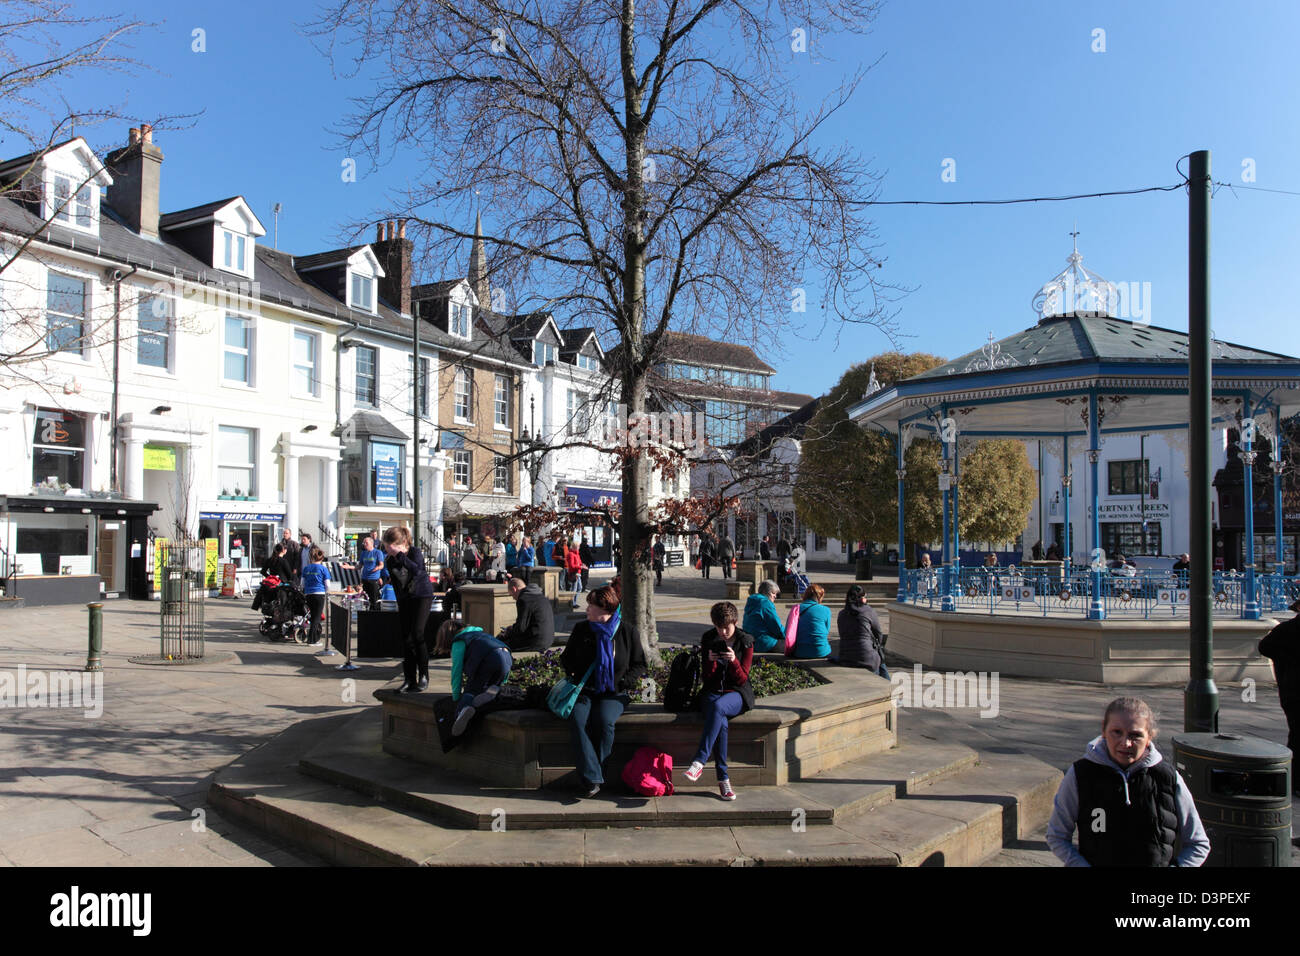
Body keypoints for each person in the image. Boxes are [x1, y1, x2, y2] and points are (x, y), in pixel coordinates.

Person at [1046, 697, 1209, 867]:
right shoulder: (1081, 774)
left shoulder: (1168, 778)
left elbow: (1198, 844)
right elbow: (1057, 836)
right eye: (1117, 732)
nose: (1125, 743)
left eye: (1135, 735)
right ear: (1103, 729)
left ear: (1149, 737)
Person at [559, 585, 646, 798]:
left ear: (605, 608)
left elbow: (640, 664)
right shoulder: (582, 629)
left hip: (614, 692)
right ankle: (593, 776)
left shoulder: (627, 631)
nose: (587, 609)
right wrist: (574, 672)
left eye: (591, 605)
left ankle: (598, 772)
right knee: (578, 720)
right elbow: (566, 657)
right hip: (585, 690)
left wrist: (625, 682)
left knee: (604, 721)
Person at [682, 602, 754, 801]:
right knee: (719, 717)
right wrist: (712, 662)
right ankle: (723, 780)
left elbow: (742, 679)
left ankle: (699, 761)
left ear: (735, 623)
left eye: (727, 627)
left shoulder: (745, 641)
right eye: (718, 627)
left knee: (719, 707)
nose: (723, 632)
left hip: (737, 693)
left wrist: (733, 661)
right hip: (712, 692)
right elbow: (707, 677)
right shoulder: (709, 638)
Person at [434, 620, 514, 736]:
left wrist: (456, 698)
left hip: (489, 660)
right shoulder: (480, 634)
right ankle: (488, 695)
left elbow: (456, 672)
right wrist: (504, 682)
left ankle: (461, 712)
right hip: (506, 658)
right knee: (489, 689)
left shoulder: (459, 641)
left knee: (471, 691)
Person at [383, 525, 434, 693]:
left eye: (389, 546)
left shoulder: (414, 552)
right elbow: (397, 583)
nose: (387, 550)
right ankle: (409, 678)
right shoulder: (389, 560)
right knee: (406, 637)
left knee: (418, 633)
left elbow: (418, 571)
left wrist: (401, 556)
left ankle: (424, 675)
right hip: (405, 598)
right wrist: (400, 602)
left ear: (400, 543)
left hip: (421, 595)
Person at [1258, 596, 1300, 779]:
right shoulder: (1287, 630)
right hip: (1294, 691)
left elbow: (1265, 647)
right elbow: (1265, 647)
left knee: (1297, 734)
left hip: (1292, 690)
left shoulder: (1285, 629)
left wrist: (1285, 660)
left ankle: (1295, 778)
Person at [835, 584, 887, 676]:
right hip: (867, 659)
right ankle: (889, 686)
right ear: (862, 598)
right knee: (880, 661)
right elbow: (879, 634)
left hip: (845, 657)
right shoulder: (869, 611)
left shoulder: (841, 614)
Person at [500, 577, 555, 652]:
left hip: (535, 642)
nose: (513, 598)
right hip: (548, 640)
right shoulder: (541, 596)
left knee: (500, 643)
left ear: (514, 589)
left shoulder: (524, 599)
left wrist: (508, 632)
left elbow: (521, 628)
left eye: (512, 595)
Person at [300, 546, 332, 647]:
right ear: (322, 558)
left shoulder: (306, 568)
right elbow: (327, 584)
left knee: (313, 616)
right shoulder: (323, 569)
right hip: (319, 594)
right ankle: (312, 640)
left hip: (309, 594)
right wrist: (327, 593)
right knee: (317, 618)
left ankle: (314, 637)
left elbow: (302, 583)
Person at [743, 579, 785, 653]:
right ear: (766, 592)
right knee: (792, 645)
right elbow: (776, 626)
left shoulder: (752, 601)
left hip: (752, 641)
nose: (775, 596)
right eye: (773, 593)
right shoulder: (765, 603)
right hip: (764, 642)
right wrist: (788, 636)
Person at [792, 583, 831, 659]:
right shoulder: (826, 610)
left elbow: (789, 630)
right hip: (821, 651)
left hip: (800, 651)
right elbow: (826, 631)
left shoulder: (796, 609)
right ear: (820, 597)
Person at [355, 535, 385, 608]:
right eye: (364, 543)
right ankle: (366, 612)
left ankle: (374, 613)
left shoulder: (377, 552)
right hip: (365, 578)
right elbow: (359, 566)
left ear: (372, 544)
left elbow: (382, 565)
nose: (364, 544)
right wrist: (349, 567)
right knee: (365, 599)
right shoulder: (363, 553)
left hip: (373, 579)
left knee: (374, 599)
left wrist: (377, 568)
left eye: (366, 543)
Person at [564, 540, 586, 609]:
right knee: (574, 589)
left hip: (578, 573)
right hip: (574, 573)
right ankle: (572, 603)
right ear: (574, 546)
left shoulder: (577, 554)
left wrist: (582, 565)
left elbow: (579, 563)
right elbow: (572, 566)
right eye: (578, 546)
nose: (579, 547)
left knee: (579, 588)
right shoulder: (571, 554)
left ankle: (573, 602)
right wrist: (580, 566)